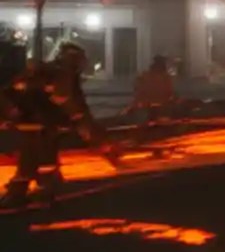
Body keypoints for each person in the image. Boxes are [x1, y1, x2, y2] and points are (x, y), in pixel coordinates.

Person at [0, 41, 118, 210]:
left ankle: (16, 194)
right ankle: (44, 193)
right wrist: (86, 127)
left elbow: (9, 91)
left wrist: (11, 114)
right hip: (46, 124)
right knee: (47, 161)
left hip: (26, 122)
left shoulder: (40, 72)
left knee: (28, 158)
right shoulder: (63, 74)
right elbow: (68, 102)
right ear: (75, 60)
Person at [129, 55, 178, 127]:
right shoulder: (165, 78)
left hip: (148, 108)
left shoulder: (145, 76)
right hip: (155, 109)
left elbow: (137, 88)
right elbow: (170, 93)